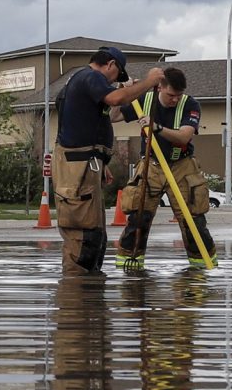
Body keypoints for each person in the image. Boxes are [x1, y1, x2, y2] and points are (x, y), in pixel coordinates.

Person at [54, 46, 163, 275]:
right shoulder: (90, 76)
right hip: (77, 167)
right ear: (111, 64)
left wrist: (100, 162)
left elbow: (98, 119)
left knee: (94, 233)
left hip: (84, 164)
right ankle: (77, 294)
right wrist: (147, 82)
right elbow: (115, 99)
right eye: (117, 75)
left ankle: (88, 290)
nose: (115, 81)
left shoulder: (81, 84)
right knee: (84, 233)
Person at [115, 66, 217, 269]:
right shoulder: (143, 100)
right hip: (150, 165)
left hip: (182, 165)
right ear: (160, 87)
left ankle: (201, 267)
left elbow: (184, 136)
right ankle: (129, 263)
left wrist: (157, 128)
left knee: (193, 221)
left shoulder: (190, 104)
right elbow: (113, 116)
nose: (175, 99)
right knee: (138, 218)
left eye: (178, 95)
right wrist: (123, 91)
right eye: (171, 95)